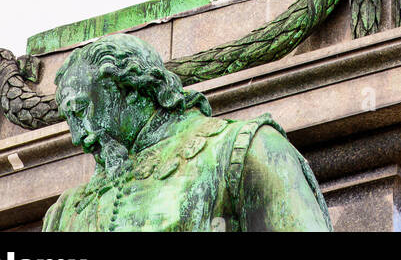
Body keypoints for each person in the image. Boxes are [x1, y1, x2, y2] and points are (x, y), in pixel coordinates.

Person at [43, 33, 331, 232]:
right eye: (70, 120)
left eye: (81, 111)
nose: (78, 137)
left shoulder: (241, 150)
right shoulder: (65, 214)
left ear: (131, 90)